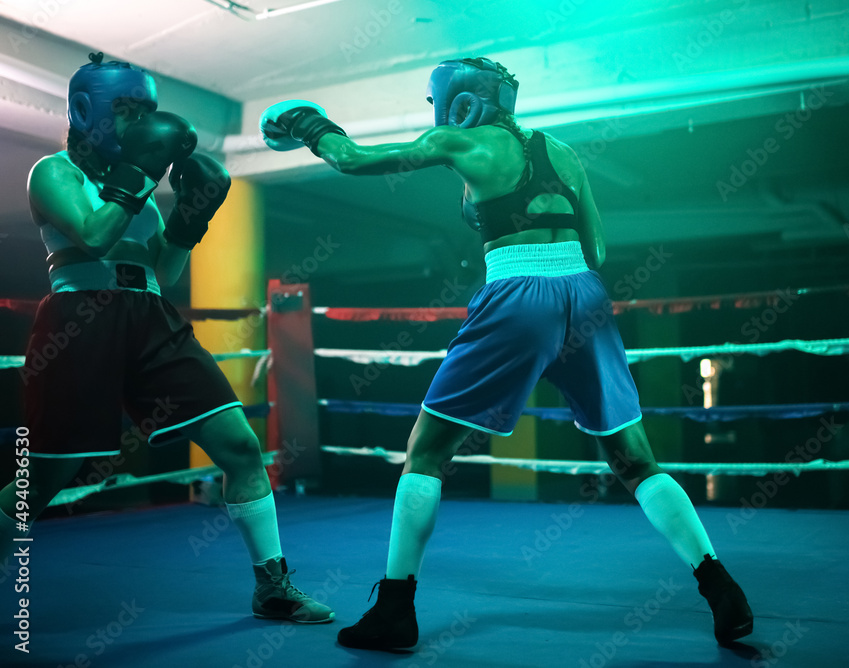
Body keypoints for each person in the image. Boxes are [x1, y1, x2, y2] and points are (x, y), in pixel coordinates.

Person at [260, 57, 752, 646]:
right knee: (634, 457)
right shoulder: (563, 151)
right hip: (585, 293)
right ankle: (719, 585)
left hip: (518, 294)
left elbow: (353, 161)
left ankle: (394, 611)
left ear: (457, 101)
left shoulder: (454, 140)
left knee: (426, 451)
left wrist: (310, 123)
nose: (433, 113)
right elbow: (596, 246)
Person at [0, 53, 333, 624]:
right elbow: (97, 236)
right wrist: (142, 174)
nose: (138, 123)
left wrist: (189, 219)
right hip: (82, 317)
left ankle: (273, 586)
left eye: (145, 112)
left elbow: (166, 270)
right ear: (89, 112)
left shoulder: (142, 189)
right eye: (125, 110)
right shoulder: (54, 172)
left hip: (152, 316)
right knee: (46, 477)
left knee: (239, 446)